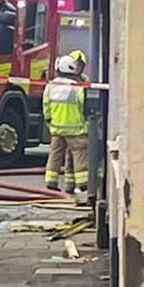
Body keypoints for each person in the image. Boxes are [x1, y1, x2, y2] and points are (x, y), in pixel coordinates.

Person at [43, 55, 89, 193]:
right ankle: (83, 185)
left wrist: (50, 121)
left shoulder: (51, 85)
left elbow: (46, 105)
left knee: (55, 156)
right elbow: (84, 106)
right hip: (75, 131)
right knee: (79, 155)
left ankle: (51, 182)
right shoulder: (77, 87)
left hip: (56, 129)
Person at [63, 50, 89, 193]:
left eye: (80, 65)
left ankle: (80, 185)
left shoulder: (84, 80)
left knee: (78, 155)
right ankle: (72, 185)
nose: (78, 67)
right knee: (72, 156)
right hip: (72, 125)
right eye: (76, 64)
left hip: (79, 124)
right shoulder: (68, 81)